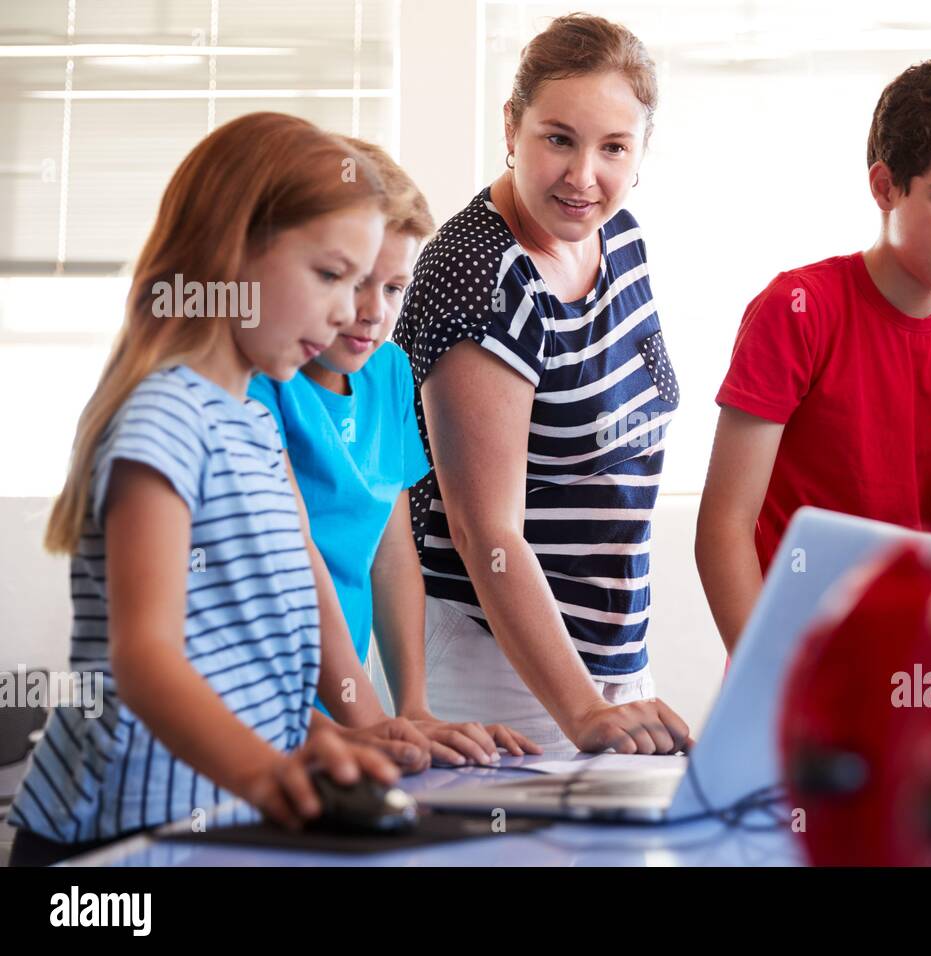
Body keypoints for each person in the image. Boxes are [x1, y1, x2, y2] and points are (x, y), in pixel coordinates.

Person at [8, 112, 401, 866]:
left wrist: (322, 743)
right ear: (234, 250)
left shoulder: (252, 425)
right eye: (329, 275)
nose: (350, 311)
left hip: (205, 820)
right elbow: (147, 658)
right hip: (107, 841)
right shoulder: (165, 418)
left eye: (359, 284)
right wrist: (266, 774)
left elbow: (246, 657)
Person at [391, 14, 690, 754]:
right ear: (511, 127)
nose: (583, 177)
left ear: (641, 151)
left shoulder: (617, 236)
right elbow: (483, 530)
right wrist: (583, 708)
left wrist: (611, 690)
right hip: (495, 665)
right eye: (558, 138)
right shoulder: (480, 275)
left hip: (610, 662)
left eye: (613, 147)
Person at [696, 57, 931, 653]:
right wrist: (769, 685)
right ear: (885, 187)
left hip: (916, 671)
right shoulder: (797, 308)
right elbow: (723, 530)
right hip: (795, 662)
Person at [248, 138, 540, 768]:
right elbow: (296, 564)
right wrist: (374, 719)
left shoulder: (390, 372)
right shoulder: (259, 380)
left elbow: (391, 548)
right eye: (348, 281)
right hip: (266, 709)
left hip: (342, 709)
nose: (371, 313)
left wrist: (411, 707)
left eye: (394, 287)